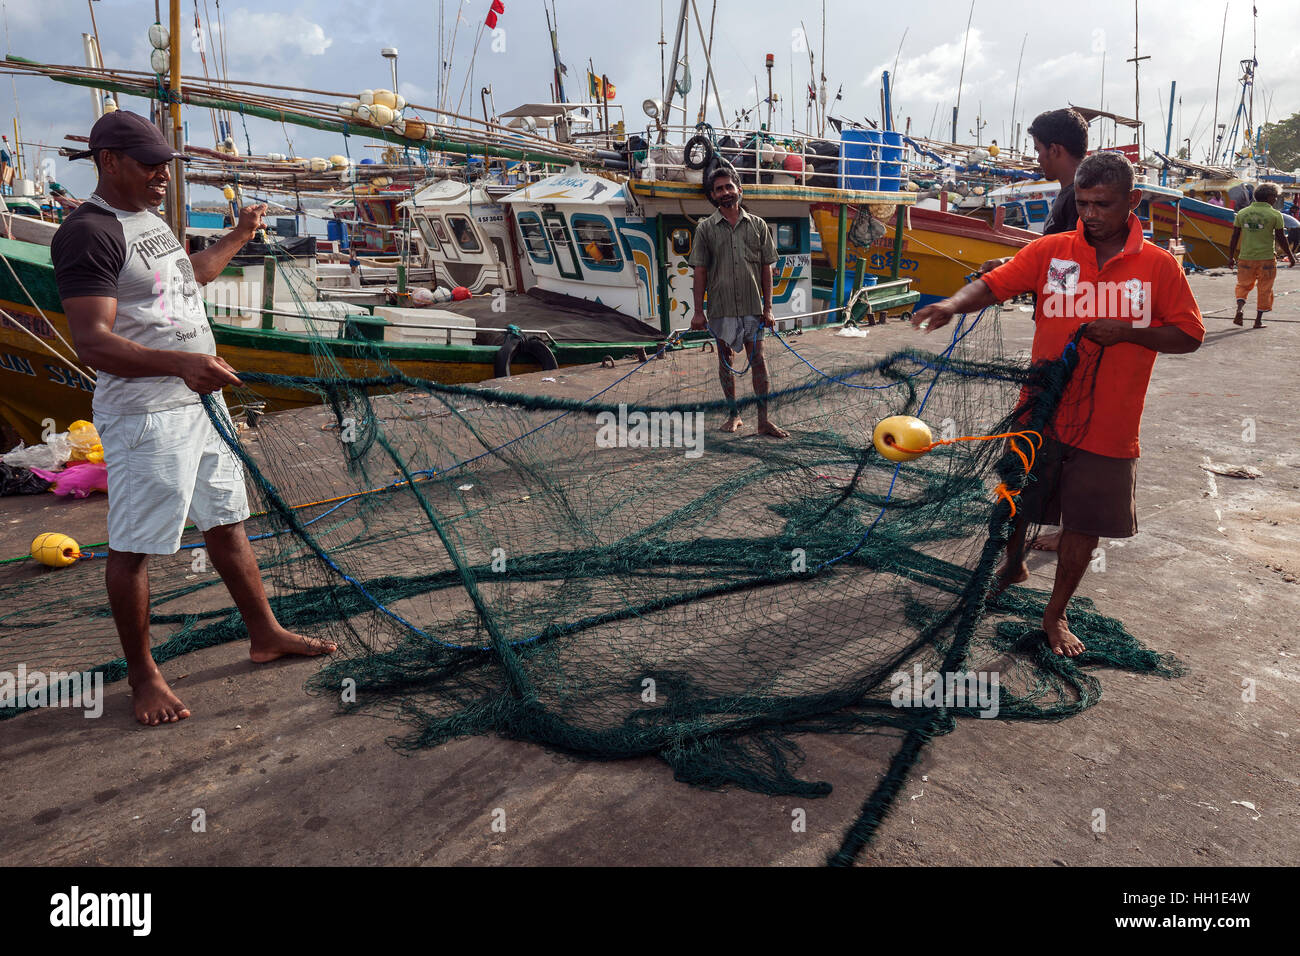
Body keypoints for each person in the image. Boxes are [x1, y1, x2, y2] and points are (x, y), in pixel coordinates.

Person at [50, 110, 335, 727]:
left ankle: (265, 633)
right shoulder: (88, 234)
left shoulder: (149, 220)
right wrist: (180, 364)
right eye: (151, 165)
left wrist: (238, 235)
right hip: (146, 417)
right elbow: (93, 344)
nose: (162, 176)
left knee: (227, 519)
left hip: (200, 403)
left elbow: (186, 282)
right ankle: (144, 675)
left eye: (167, 166)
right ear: (109, 162)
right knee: (135, 545)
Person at [910, 152, 1203, 657]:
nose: (1090, 215)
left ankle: (1055, 613)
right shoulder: (1053, 252)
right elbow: (996, 283)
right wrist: (952, 304)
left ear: (1132, 201)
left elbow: (1189, 335)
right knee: (1018, 496)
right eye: (1083, 203)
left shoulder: (1159, 266)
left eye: (1103, 205)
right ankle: (1012, 564)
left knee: (1085, 527)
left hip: (1110, 425)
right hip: (1041, 411)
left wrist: (1131, 333)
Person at [689, 164, 788, 438]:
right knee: (725, 360)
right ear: (713, 195)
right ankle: (734, 414)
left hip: (752, 307)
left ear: (739, 190)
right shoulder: (705, 229)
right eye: (719, 189)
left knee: (758, 359)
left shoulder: (758, 226)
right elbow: (700, 271)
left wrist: (768, 308)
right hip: (720, 306)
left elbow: (767, 268)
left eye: (729, 187)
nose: (724, 192)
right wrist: (698, 311)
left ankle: (764, 420)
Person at [979, 108, 1090, 276]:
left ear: (1054, 150)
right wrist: (1008, 263)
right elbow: (1053, 254)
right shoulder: (1070, 194)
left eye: (1038, 150)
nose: (1037, 159)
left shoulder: (1079, 199)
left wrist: (1009, 273)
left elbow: (1068, 270)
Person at [1228, 182, 1295, 329]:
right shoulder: (1275, 214)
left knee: (1243, 286)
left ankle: (1240, 309)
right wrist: (1290, 256)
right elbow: (1281, 238)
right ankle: (1257, 321)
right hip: (1266, 259)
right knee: (1265, 289)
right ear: (1270, 197)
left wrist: (1230, 257)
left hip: (1245, 258)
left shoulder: (1242, 213)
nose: (1276, 199)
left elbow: (1234, 236)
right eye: (1275, 197)